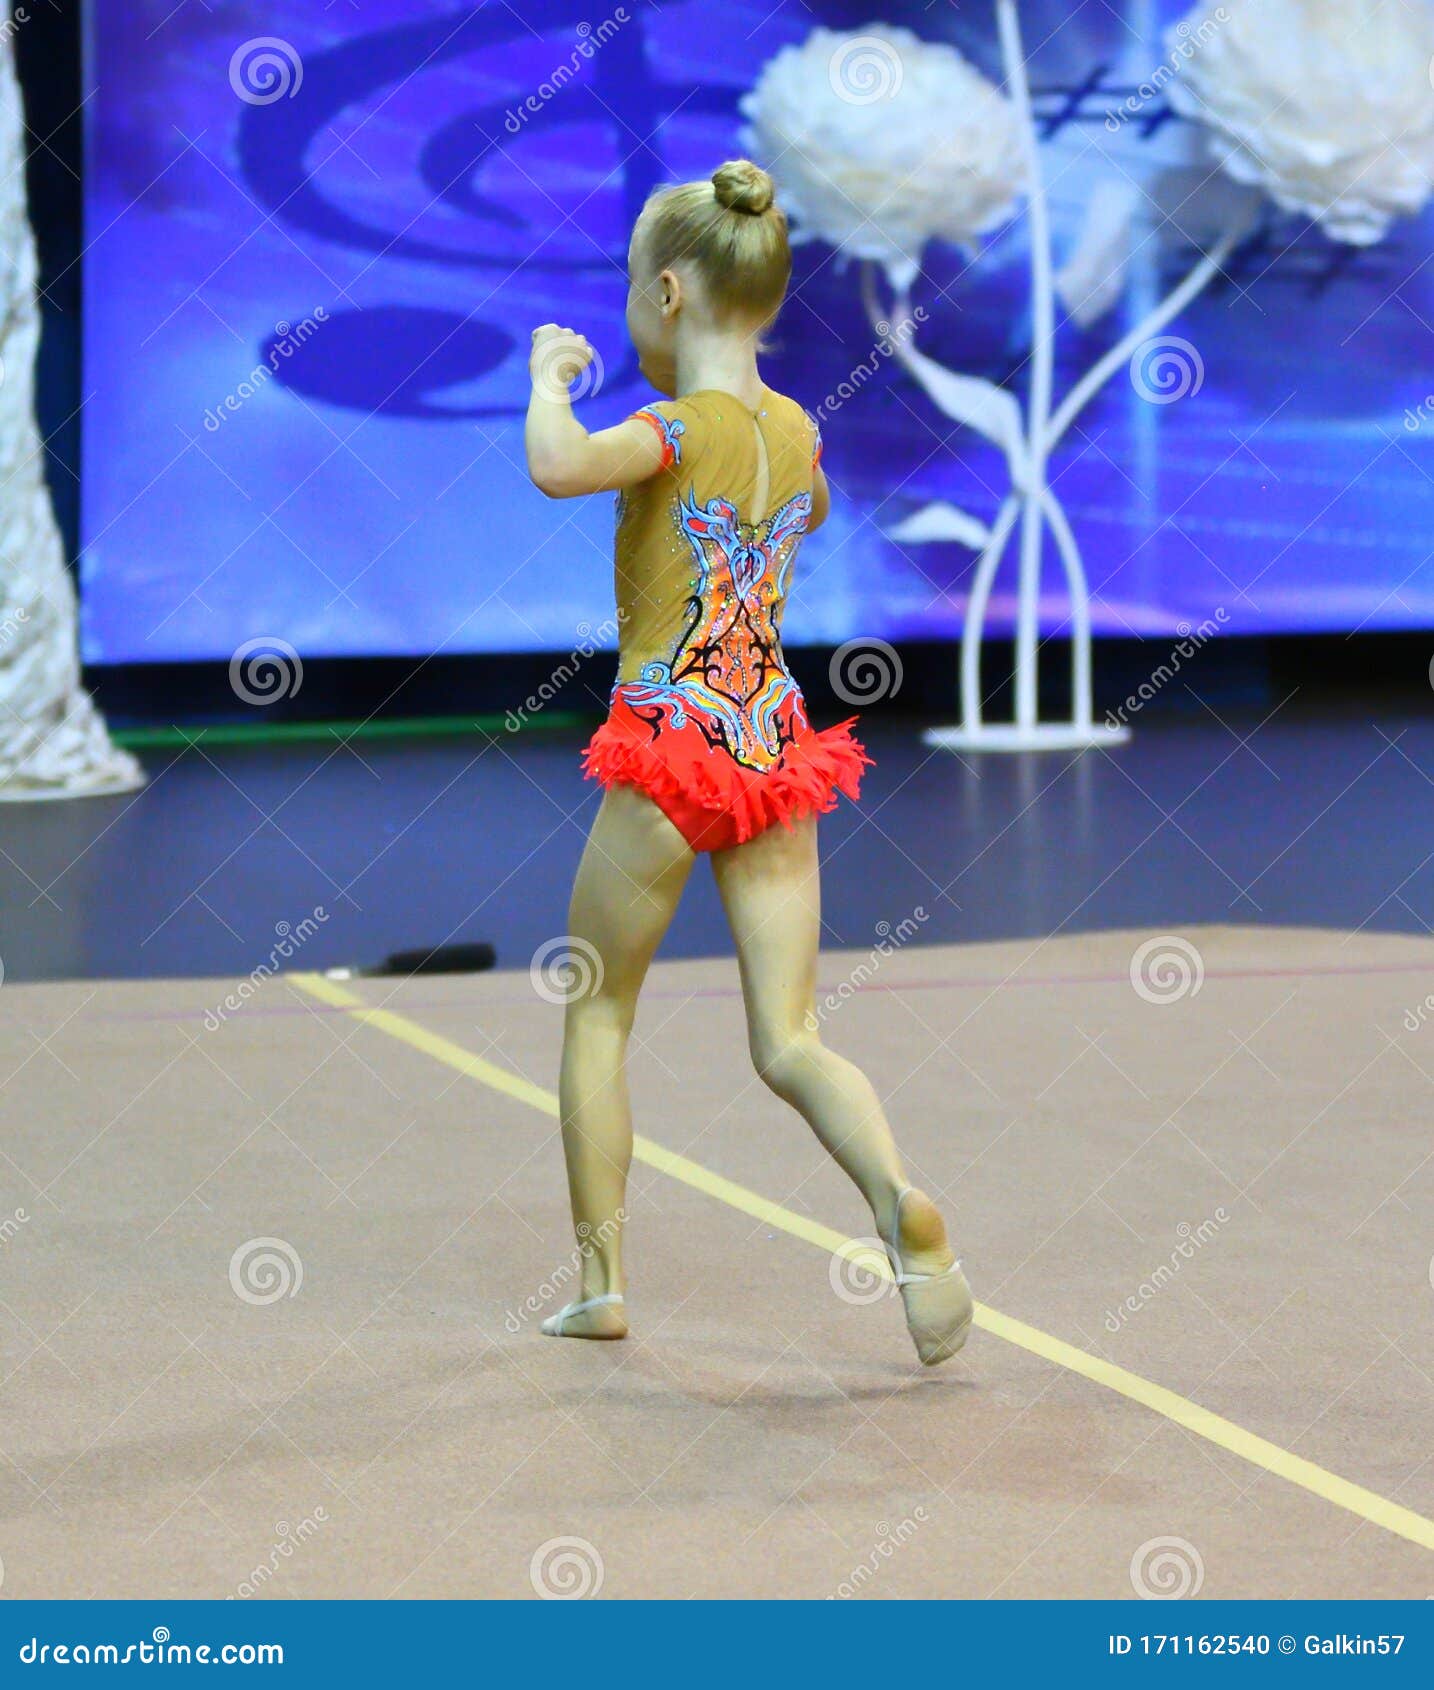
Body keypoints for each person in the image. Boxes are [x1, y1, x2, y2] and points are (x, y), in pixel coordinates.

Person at [523, 158, 971, 1365]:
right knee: (791, 1038)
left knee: (597, 1008)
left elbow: (558, 465)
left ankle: (602, 1279)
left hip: (670, 744)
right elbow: (810, 510)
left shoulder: (669, 428)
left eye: (629, 286)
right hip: (773, 749)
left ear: (667, 291)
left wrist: (547, 383)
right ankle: (901, 1213)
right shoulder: (793, 427)